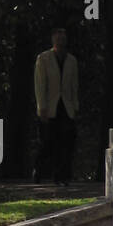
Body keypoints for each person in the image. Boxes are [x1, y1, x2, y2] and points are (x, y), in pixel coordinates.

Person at [34, 27, 79, 185]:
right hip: (50, 106)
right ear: (53, 40)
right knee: (47, 142)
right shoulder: (44, 58)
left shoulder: (72, 60)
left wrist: (75, 107)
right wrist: (42, 107)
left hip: (66, 106)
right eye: (58, 39)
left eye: (63, 39)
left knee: (66, 142)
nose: (60, 42)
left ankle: (62, 176)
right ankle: (38, 171)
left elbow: (74, 85)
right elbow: (40, 85)